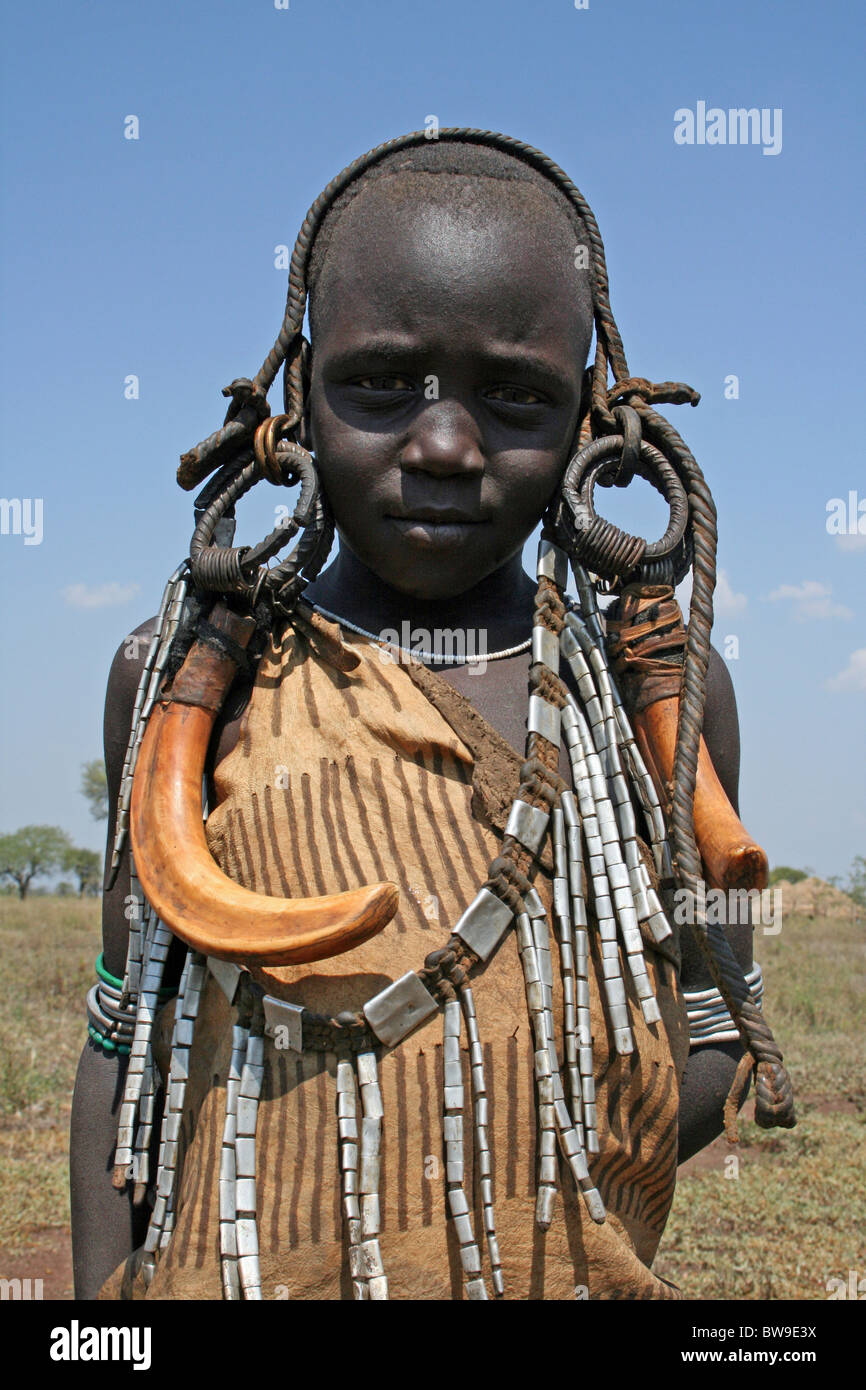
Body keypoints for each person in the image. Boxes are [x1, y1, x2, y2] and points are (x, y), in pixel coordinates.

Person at [70, 131, 788, 1301]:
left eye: (515, 397)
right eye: (380, 383)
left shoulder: (656, 699)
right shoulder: (180, 687)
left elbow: (714, 1029)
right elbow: (124, 1046)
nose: (445, 444)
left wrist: (511, 1184)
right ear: (294, 399)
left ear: (598, 419)